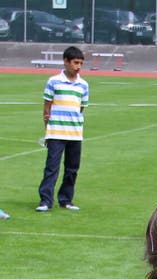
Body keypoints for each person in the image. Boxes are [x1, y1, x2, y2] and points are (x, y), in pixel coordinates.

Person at [36, 46, 88, 213]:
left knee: (72, 169)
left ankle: (66, 199)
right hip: (56, 132)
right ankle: (45, 200)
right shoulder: (53, 81)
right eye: (75, 62)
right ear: (66, 62)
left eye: (80, 63)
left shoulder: (84, 85)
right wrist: (48, 130)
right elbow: (47, 107)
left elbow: (81, 108)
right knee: (52, 167)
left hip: (75, 133)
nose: (78, 66)